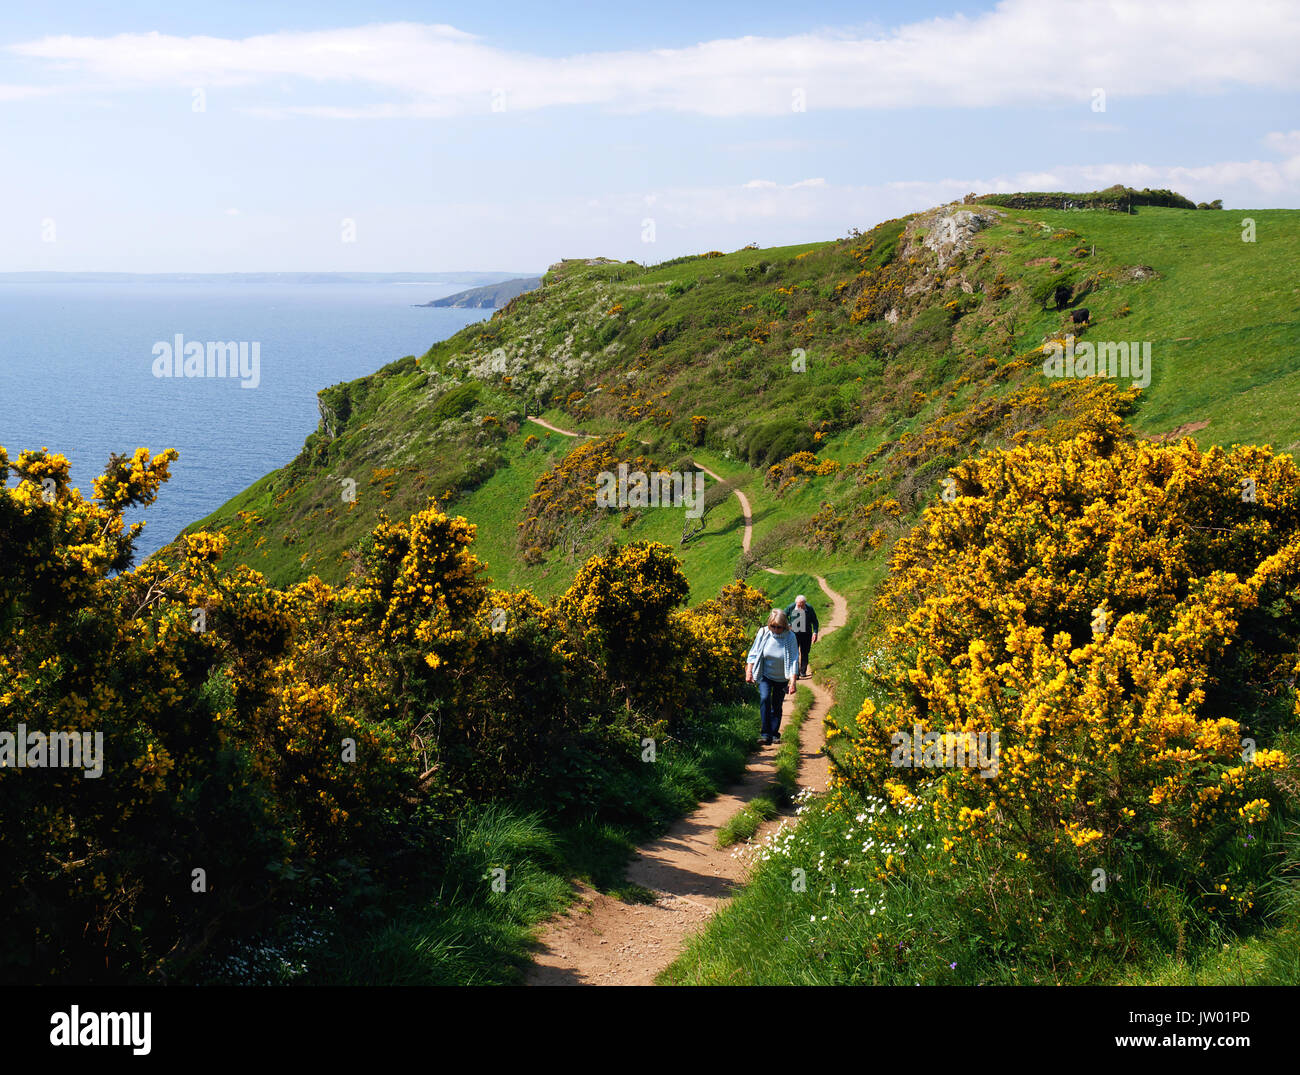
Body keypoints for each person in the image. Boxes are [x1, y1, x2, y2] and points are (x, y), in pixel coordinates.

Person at [745, 609, 800, 747]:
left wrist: (792, 682)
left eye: (779, 627)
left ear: (785, 625)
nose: (775, 629)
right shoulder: (764, 633)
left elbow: (794, 659)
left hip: (782, 678)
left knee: (776, 705)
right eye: (773, 626)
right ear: (769, 624)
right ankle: (765, 734)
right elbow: (754, 653)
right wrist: (749, 671)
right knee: (764, 698)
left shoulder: (790, 637)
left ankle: (774, 734)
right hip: (765, 675)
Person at [783, 594, 820, 679]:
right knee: (794, 653)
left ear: (805, 603)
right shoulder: (791, 607)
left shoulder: (809, 608)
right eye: (799, 605)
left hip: (806, 633)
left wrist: (815, 632)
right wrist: (788, 624)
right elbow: (783, 615)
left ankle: (803, 671)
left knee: (805, 652)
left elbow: (815, 621)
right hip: (794, 634)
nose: (800, 607)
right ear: (796, 603)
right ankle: (795, 673)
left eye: (802, 605)